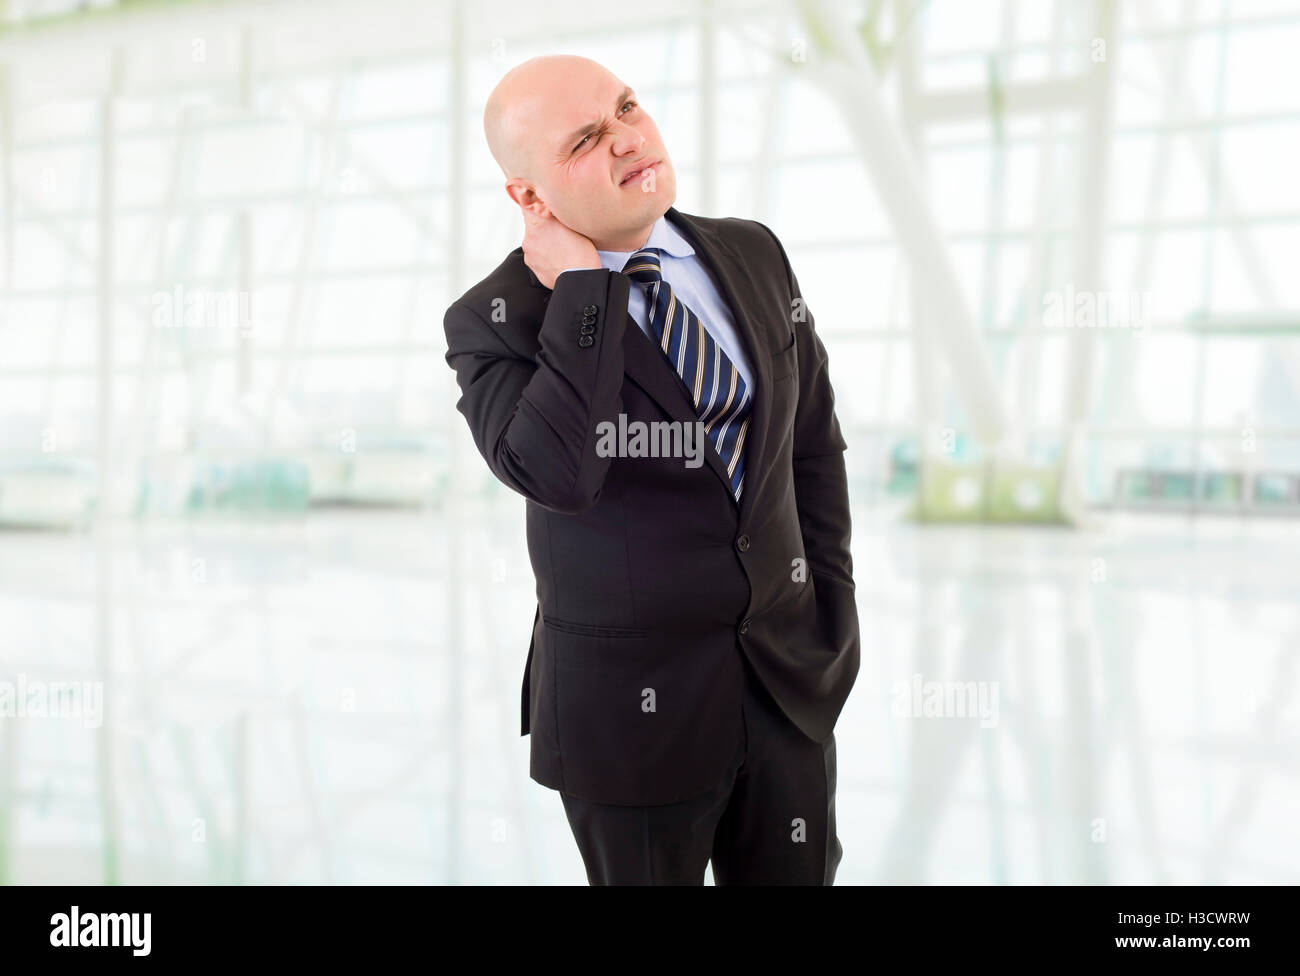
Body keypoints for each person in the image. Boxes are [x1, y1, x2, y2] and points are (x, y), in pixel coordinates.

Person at [443, 54, 859, 885]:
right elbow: (562, 474)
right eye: (587, 139)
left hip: (787, 687)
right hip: (629, 720)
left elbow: (811, 446)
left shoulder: (754, 254)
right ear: (529, 199)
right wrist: (582, 297)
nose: (628, 140)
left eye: (627, 108)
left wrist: (832, 617)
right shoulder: (494, 321)